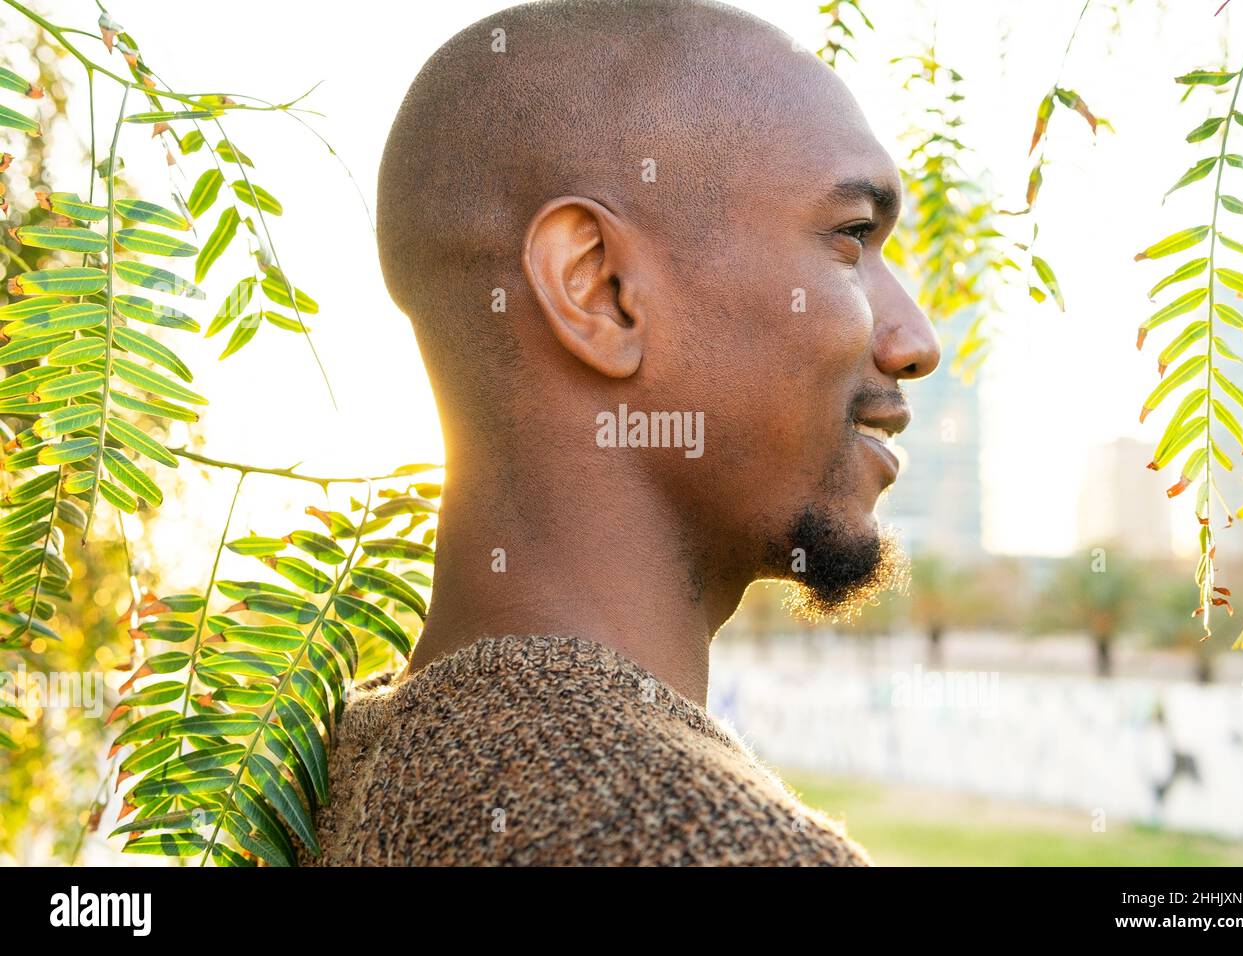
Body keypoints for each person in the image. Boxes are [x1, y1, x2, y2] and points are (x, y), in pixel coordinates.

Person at [304, 0, 940, 866]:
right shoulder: (720, 851)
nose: (916, 342)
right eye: (851, 237)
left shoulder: (331, 770)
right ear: (598, 289)